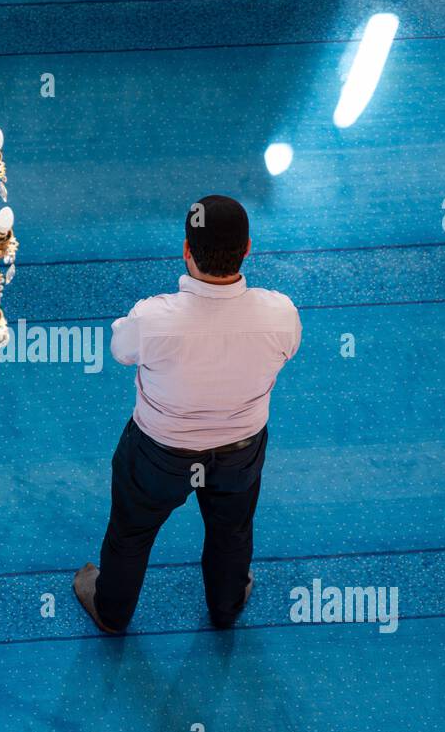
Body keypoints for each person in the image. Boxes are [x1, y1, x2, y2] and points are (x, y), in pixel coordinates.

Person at [74, 195, 301, 632]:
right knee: (231, 532)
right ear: (248, 248)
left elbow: (121, 349)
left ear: (186, 250)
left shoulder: (153, 318)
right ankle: (226, 606)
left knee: (131, 532)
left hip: (158, 453)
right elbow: (287, 351)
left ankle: (112, 611)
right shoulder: (281, 314)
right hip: (241, 452)